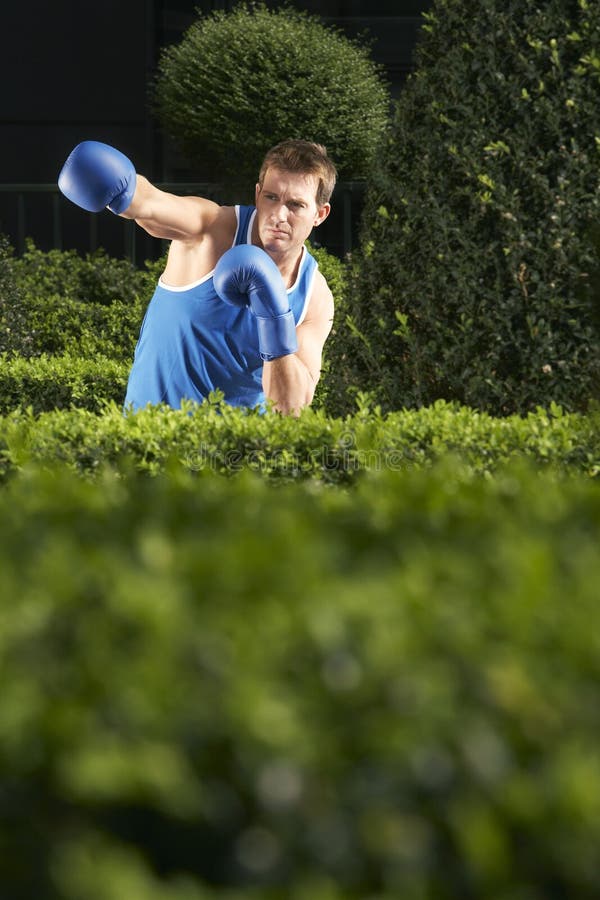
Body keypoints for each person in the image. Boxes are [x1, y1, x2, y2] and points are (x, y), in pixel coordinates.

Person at [57, 139, 337, 415]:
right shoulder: (211, 228)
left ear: (320, 215)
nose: (278, 215)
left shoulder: (314, 296)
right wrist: (125, 188)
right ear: (257, 194)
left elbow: (290, 406)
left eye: (296, 205)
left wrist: (275, 318)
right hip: (149, 440)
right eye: (271, 197)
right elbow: (151, 204)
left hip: (233, 453)